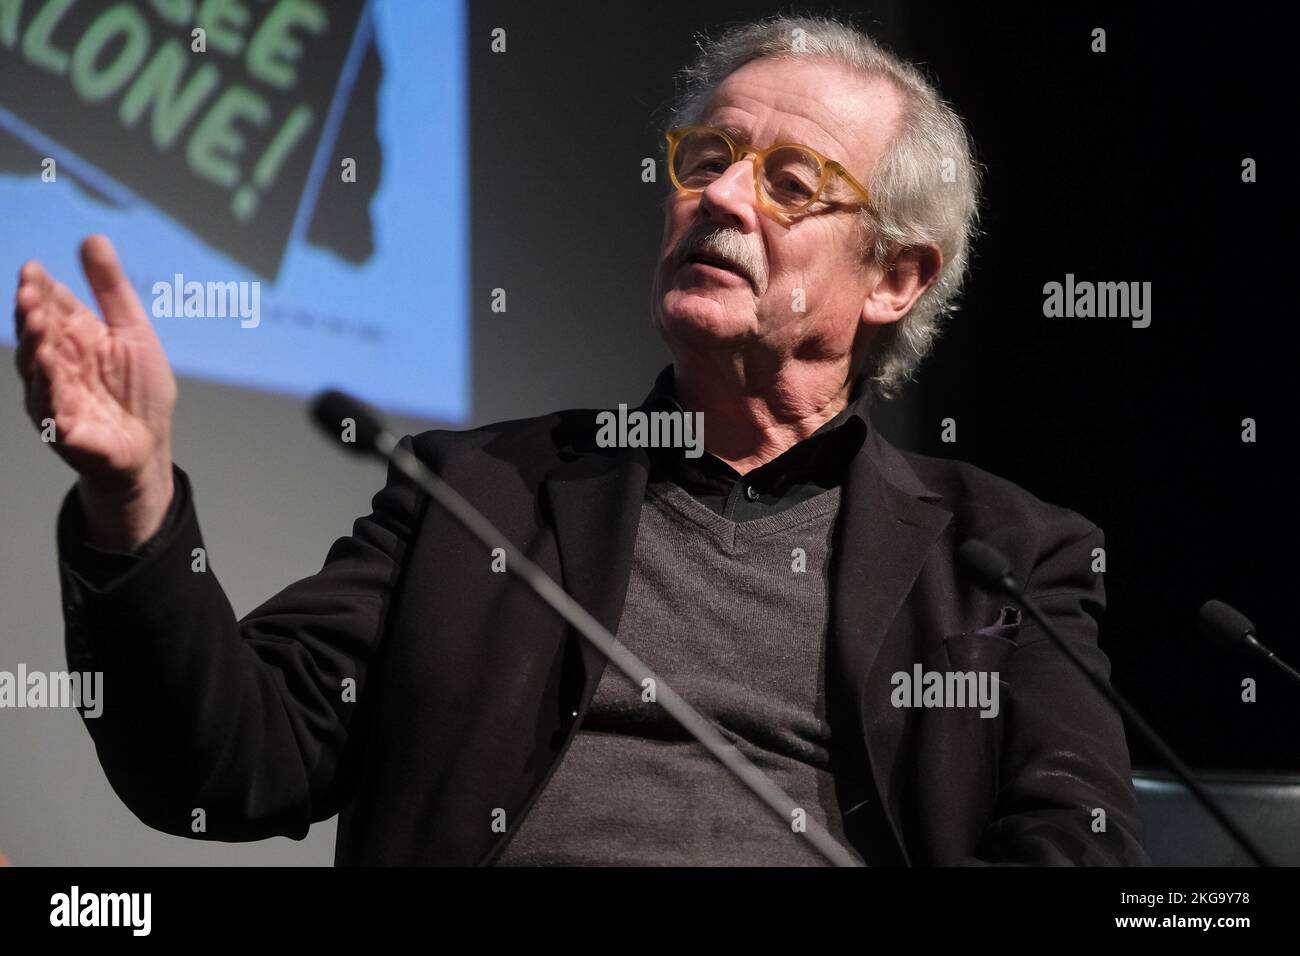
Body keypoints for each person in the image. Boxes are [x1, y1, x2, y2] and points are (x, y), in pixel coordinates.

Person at [12, 15, 1146, 865]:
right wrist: (136, 500)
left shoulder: (1003, 553)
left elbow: (1076, 845)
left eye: (790, 182)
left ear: (895, 277)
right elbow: (229, 763)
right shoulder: (476, 494)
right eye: (705, 159)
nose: (721, 198)